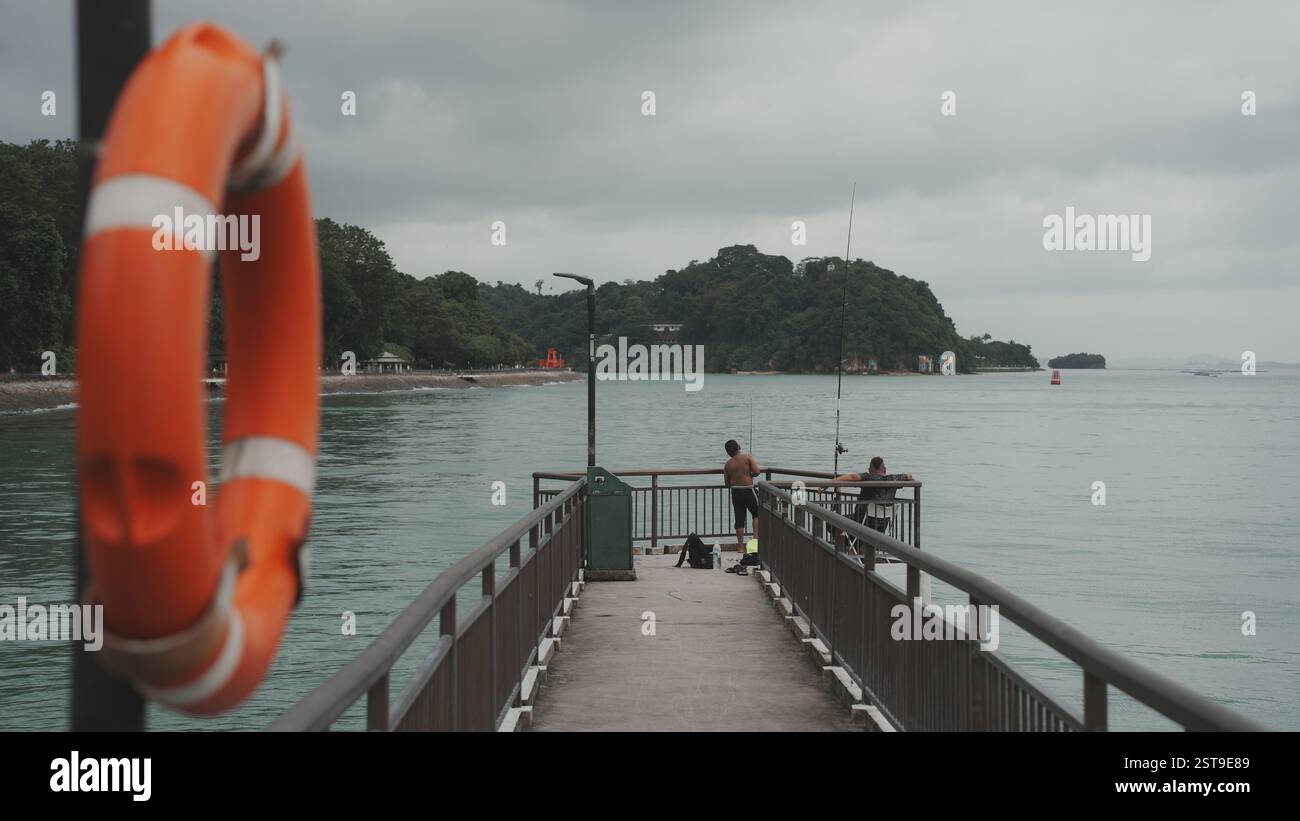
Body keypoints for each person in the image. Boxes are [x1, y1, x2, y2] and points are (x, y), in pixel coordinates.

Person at [833, 456, 915, 534]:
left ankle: (848, 546)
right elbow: (909, 476)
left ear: (871, 468)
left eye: (869, 468)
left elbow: (853, 476)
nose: (868, 470)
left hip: (861, 522)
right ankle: (859, 547)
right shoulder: (894, 479)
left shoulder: (869, 478)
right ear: (884, 469)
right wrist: (912, 480)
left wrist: (830, 482)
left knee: (832, 521)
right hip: (882, 525)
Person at [723, 439, 761, 554]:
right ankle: (755, 540)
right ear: (739, 447)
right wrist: (750, 474)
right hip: (748, 489)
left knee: (739, 519)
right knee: (757, 513)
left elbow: (727, 483)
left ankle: (740, 547)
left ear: (728, 452)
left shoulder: (727, 464)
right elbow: (757, 471)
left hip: (735, 492)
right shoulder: (747, 457)